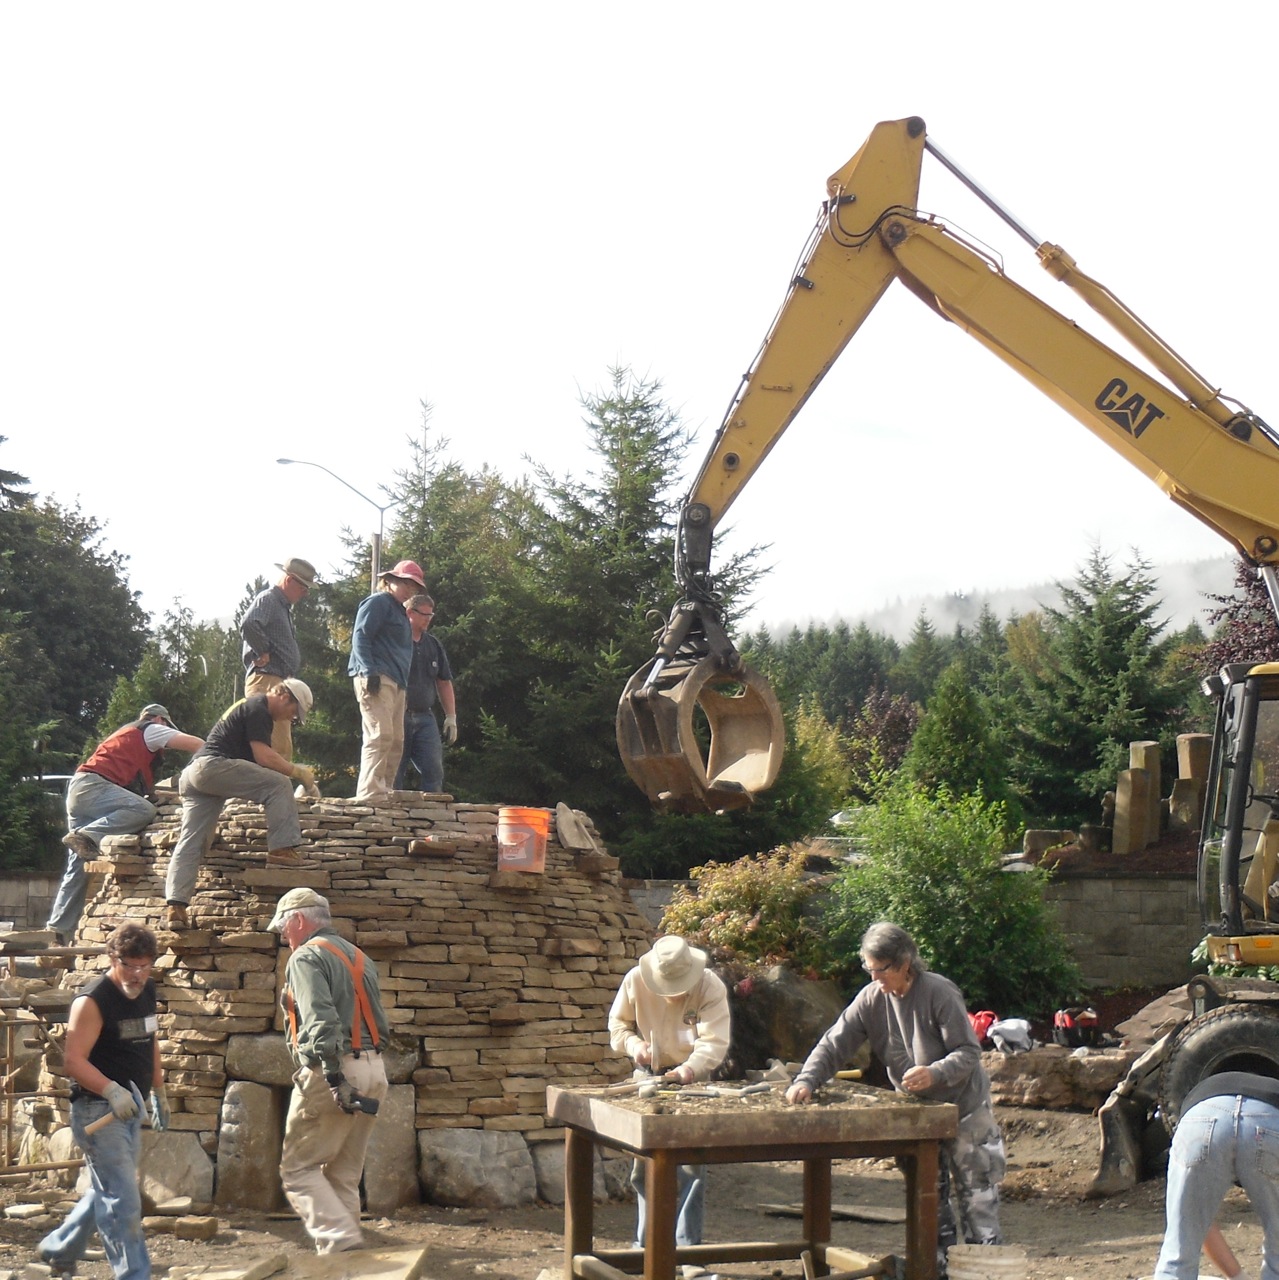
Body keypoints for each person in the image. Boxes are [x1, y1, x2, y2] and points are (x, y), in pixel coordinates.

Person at [785, 922, 1005, 1272]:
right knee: (930, 1205)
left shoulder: (939, 992)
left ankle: (986, 1272)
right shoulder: (872, 998)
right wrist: (807, 1080)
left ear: (904, 964)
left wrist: (935, 1072)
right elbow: (834, 1043)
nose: (875, 978)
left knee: (977, 1199)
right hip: (919, 1114)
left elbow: (968, 1052)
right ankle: (937, 1272)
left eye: (881, 969)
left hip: (965, 1107)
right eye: (869, 969)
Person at [37, 922, 168, 1280]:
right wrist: (111, 1090)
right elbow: (73, 1061)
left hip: (131, 1107)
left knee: (108, 1190)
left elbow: (150, 1040)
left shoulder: (146, 989)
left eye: (145, 965)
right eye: (130, 965)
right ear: (113, 958)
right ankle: (134, 1275)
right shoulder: (93, 1000)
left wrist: (159, 1091)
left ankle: (59, 1246)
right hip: (98, 1111)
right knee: (123, 1201)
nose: (138, 974)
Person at [270, 887, 390, 1255]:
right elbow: (380, 1024)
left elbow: (321, 1020)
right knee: (343, 1175)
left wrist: (334, 1077)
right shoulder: (359, 956)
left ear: (300, 920)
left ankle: (340, 1241)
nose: (283, 938)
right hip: (374, 1070)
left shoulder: (306, 957)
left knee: (297, 1170)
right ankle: (346, 1266)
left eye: (284, 929)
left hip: (335, 1072)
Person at [608, 935, 730, 1256]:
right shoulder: (635, 980)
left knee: (692, 1165)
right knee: (644, 1163)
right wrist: (636, 1048)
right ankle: (646, 1247)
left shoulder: (710, 987)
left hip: (692, 1080)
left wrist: (689, 1071)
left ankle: (688, 1251)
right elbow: (618, 1026)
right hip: (647, 1077)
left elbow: (714, 1041)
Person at [163, 679, 316, 930]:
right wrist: (297, 772)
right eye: (293, 713)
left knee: (192, 841)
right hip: (212, 767)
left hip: (193, 776)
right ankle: (281, 851)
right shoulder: (260, 708)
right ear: (285, 697)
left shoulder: (249, 706)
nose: (291, 719)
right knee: (279, 784)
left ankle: (176, 907)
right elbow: (263, 756)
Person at [46, 706, 204, 944]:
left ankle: (57, 931)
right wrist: (211, 759)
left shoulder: (124, 738)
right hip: (95, 788)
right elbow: (197, 743)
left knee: (77, 867)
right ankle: (87, 834)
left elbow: (134, 785)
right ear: (161, 720)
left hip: (80, 790)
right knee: (143, 810)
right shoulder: (151, 729)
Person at [1149, 1070, 1278, 1280]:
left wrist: (1238, 1277)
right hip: (1272, 1121)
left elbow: (1195, 1221)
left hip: (1201, 1118)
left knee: (1178, 1254)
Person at [347, 560, 423, 801]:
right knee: (380, 734)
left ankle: (384, 789)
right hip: (376, 676)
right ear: (389, 580)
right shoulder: (378, 602)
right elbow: (361, 636)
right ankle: (369, 791)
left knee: (396, 739)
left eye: (413, 586)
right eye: (405, 583)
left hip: (396, 682)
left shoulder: (399, 610)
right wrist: (368, 670)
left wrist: (403, 687)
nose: (409, 589)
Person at [240, 557, 317, 761]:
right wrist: (262, 651)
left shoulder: (279, 605)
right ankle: (270, 790)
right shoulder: (270, 599)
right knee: (273, 745)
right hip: (267, 680)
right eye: (303, 587)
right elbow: (249, 624)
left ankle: (271, 789)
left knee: (279, 744)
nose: (305, 593)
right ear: (289, 580)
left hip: (276, 681)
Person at [394, 592, 457, 793]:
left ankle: (432, 818)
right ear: (410, 612)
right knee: (394, 770)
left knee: (434, 770)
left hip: (425, 717)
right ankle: (390, 818)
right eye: (424, 615)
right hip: (398, 715)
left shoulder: (433, 644)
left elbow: (444, 682)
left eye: (431, 615)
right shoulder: (396, 642)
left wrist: (451, 717)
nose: (428, 619)